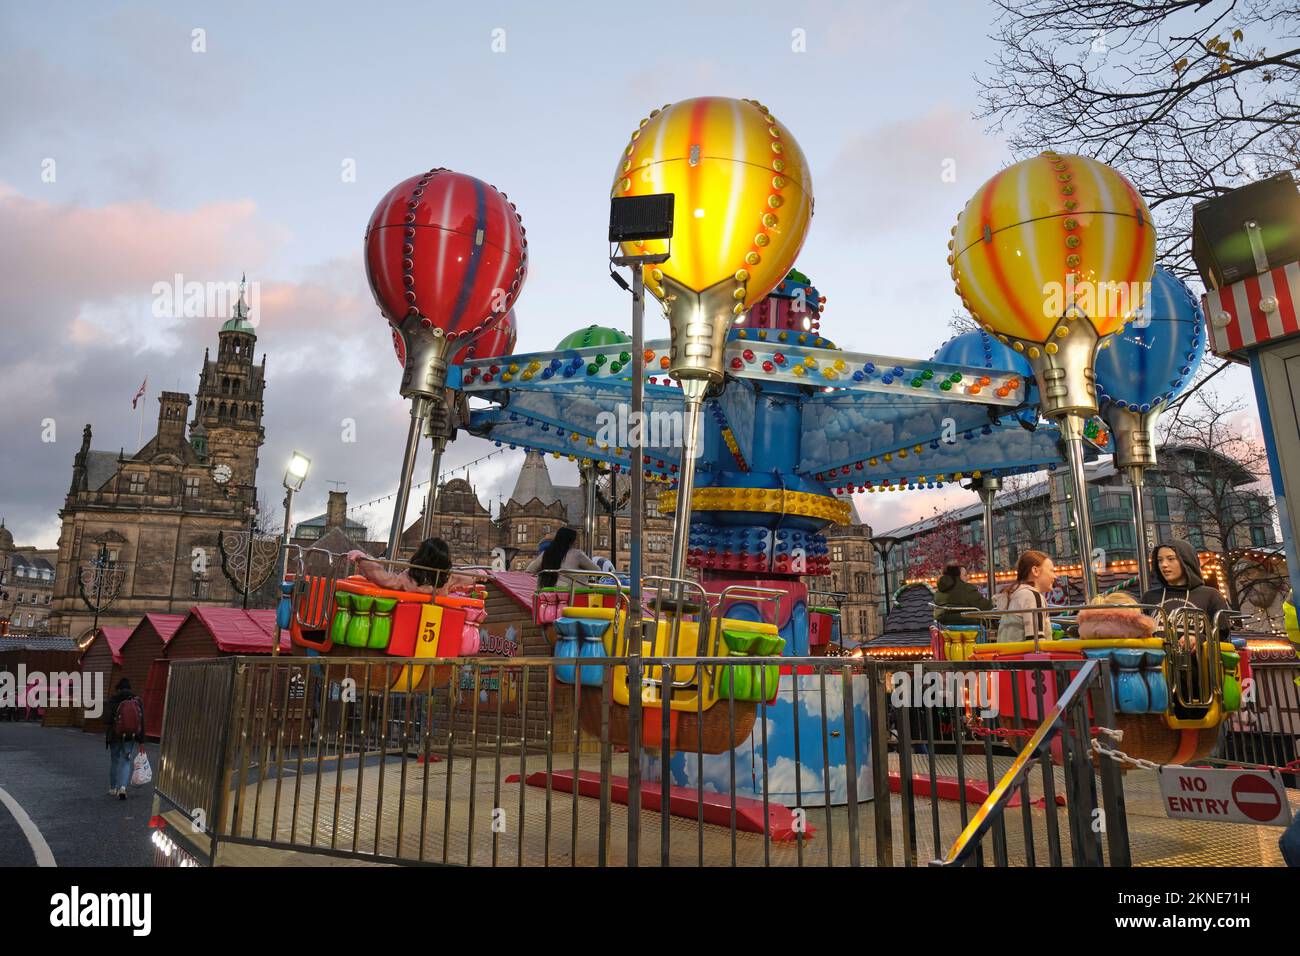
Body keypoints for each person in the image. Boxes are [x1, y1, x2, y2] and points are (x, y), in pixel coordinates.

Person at [1138, 541, 1232, 646]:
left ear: (1186, 561)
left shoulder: (1211, 596)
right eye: (1160, 560)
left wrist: (1199, 639)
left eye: (1171, 559)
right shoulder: (1149, 597)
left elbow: (1222, 637)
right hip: (1158, 661)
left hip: (1197, 661)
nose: (1164, 565)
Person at [345, 538, 485, 596]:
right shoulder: (447, 578)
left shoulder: (409, 578)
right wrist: (481, 573)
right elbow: (468, 576)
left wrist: (362, 559)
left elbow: (384, 578)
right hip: (437, 621)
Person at [997, 550, 1055, 643]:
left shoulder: (1015, 594)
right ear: (1035, 571)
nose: (1054, 576)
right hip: (1021, 656)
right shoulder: (1032, 596)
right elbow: (1036, 643)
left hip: (1008, 655)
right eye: (1051, 571)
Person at [526, 526, 602, 588]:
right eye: (575, 540)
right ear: (570, 541)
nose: (576, 542)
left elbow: (529, 571)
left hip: (548, 594)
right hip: (572, 595)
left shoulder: (546, 553)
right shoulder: (577, 554)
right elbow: (597, 571)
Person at [105, 678, 144, 800]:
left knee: (115, 761)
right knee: (126, 761)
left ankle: (113, 788)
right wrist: (141, 740)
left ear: (119, 688)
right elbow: (141, 721)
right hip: (129, 736)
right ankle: (122, 788)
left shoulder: (113, 700)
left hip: (115, 735)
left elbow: (106, 719)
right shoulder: (136, 701)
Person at [933, 563, 994, 628]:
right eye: (965, 575)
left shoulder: (940, 591)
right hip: (972, 627)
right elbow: (987, 607)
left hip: (946, 628)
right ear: (957, 577)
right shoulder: (966, 589)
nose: (967, 578)